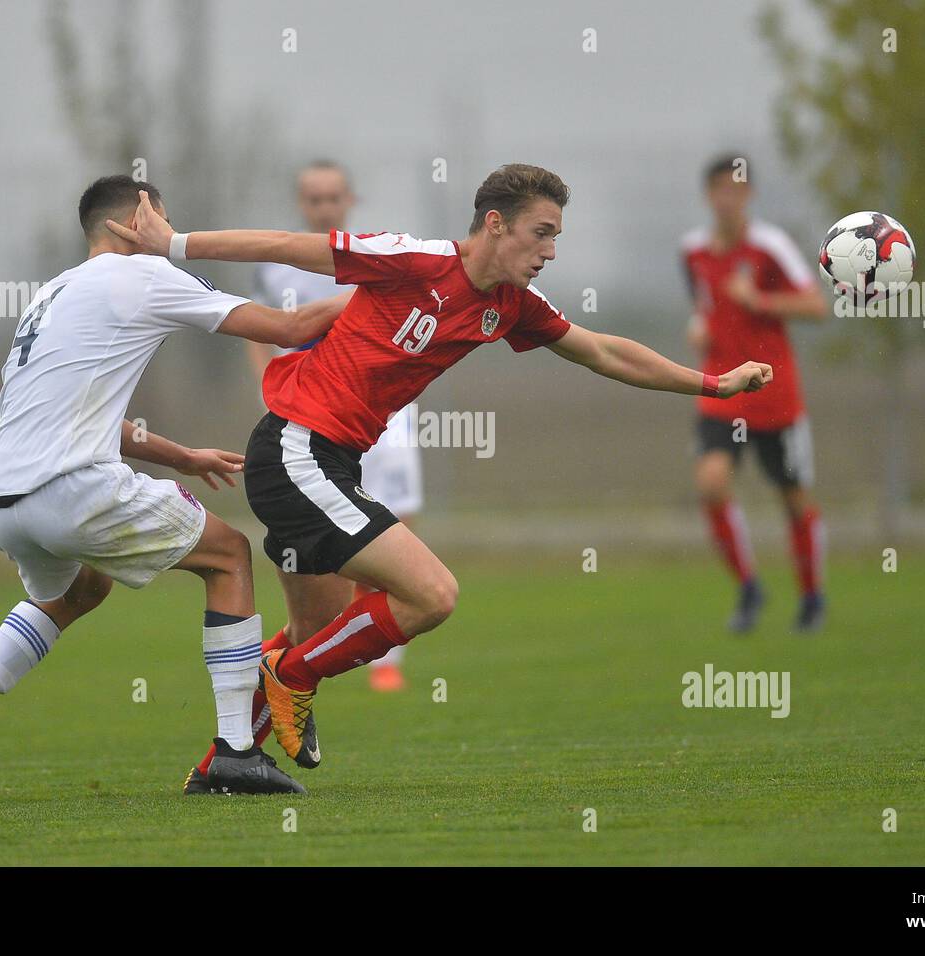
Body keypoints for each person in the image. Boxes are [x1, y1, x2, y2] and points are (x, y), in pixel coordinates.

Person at [106, 163, 773, 776]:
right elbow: (287, 244)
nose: (550, 252)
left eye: (557, 238)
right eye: (540, 234)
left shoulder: (509, 304)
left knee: (318, 628)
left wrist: (714, 385)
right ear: (493, 224)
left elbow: (604, 352)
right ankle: (290, 676)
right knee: (432, 596)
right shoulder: (415, 260)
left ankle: (226, 762)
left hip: (327, 461)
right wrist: (175, 243)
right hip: (295, 451)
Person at [0, 175, 347, 802]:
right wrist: (388, 296)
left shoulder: (51, 295)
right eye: (158, 222)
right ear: (129, 223)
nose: (165, 238)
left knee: (86, 585)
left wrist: (180, 455)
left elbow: (68, 414)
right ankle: (235, 754)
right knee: (228, 556)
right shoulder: (143, 275)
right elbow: (287, 328)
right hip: (69, 487)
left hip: (1, 499)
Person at [245, 160, 422, 695]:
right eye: (314, 199)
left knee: (394, 532)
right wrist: (264, 383)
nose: (324, 207)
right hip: (309, 416)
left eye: (332, 198)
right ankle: (305, 653)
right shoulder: (277, 268)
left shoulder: (376, 259)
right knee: (332, 544)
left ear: (351, 199)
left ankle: (383, 659)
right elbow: (260, 329)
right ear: (303, 204)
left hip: (379, 415)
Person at [680, 155, 829, 633]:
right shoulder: (693, 251)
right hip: (722, 387)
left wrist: (759, 300)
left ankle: (811, 596)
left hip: (773, 391)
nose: (729, 198)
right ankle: (748, 587)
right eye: (720, 189)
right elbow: (703, 305)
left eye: (737, 190)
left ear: (750, 195)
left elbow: (815, 305)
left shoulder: (771, 246)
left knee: (794, 500)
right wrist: (700, 326)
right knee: (710, 482)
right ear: (708, 195)